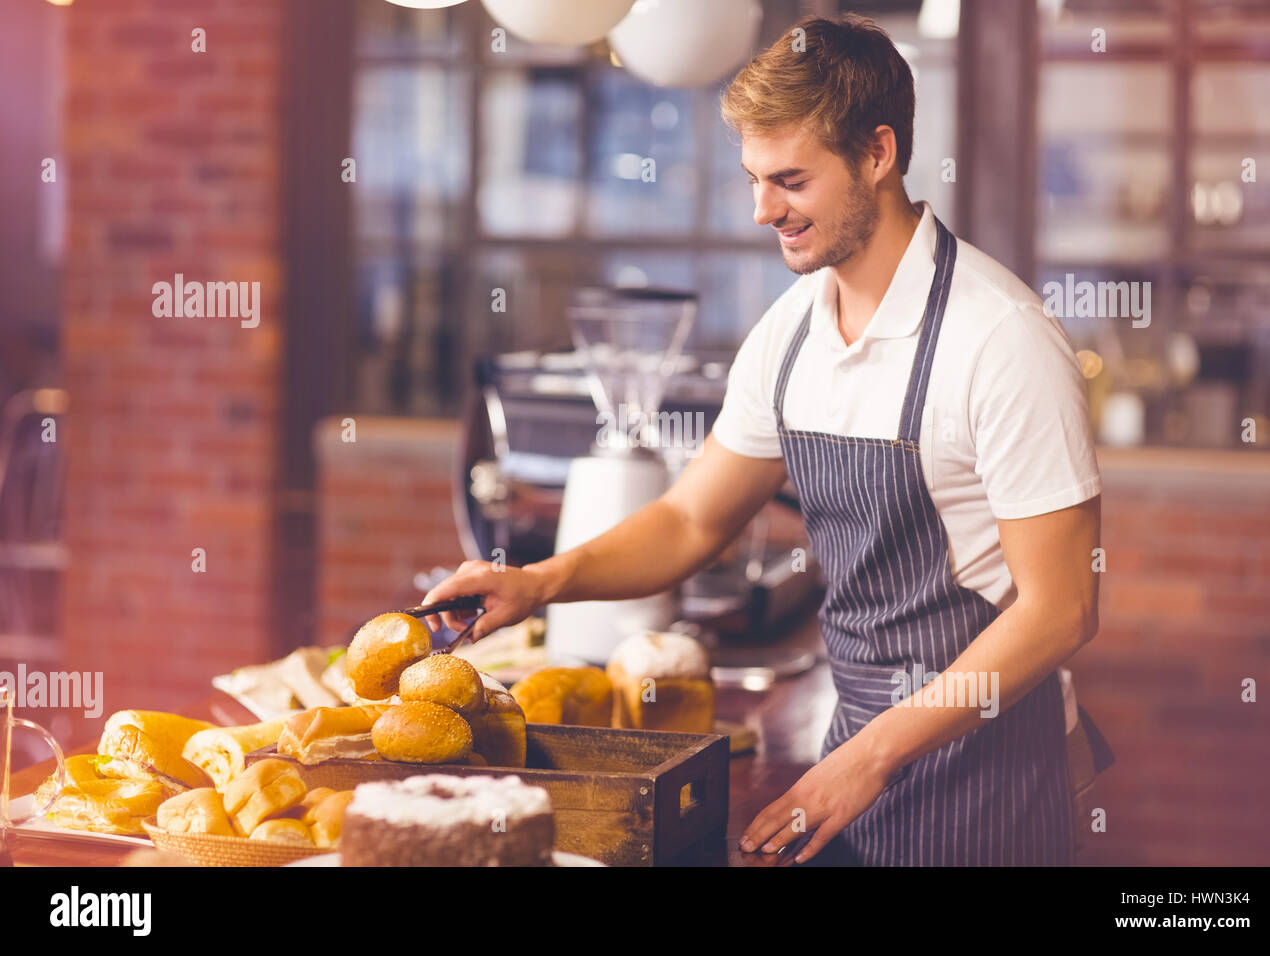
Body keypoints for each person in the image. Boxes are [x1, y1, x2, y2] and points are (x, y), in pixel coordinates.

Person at [425, 13, 1103, 866]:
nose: (761, 210)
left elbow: (1062, 609)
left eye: (789, 180)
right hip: (853, 751)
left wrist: (872, 758)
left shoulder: (1000, 340)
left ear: (879, 153)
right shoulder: (791, 332)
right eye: (753, 179)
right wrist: (538, 582)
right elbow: (691, 523)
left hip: (988, 776)